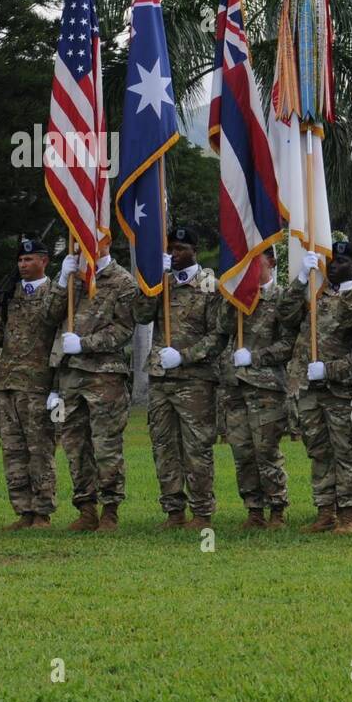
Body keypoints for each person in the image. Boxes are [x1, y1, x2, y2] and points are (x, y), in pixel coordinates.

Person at [132, 226, 227, 530]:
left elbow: (219, 335)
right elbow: (141, 315)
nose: (173, 253)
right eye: (170, 248)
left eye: (179, 248)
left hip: (195, 379)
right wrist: (151, 283)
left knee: (196, 448)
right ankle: (173, 512)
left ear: (193, 251)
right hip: (162, 378)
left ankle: (201, 513)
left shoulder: (210, 285)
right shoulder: (163, 283)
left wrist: (185, 355)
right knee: (163, 446)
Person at [0, 235, 61, 529]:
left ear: (44, 261)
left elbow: (58, 339)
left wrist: (57, 388)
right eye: (20, 260)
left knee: (39, 449)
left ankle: (42, 512)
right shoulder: (8, 296)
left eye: (29, 259)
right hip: (6, 384)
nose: (23, 264)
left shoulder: (55, 295)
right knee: (13, 450)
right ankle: (24, 511)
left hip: (37, 385)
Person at [44, 238, 136, 533]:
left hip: (104, 375)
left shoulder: (122, 281)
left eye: (95, 241)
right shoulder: (73, 278)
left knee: (106, 444)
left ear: (107, 242)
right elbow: (48, 317)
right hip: (70, 375)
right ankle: (86, 509)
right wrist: (61, 280)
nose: (88, 247)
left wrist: (85, 344)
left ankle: (110, 510)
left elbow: (124, 329)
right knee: (74, 444)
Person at [289, 240, 352, 535]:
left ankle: (350, 515)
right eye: (331, 262)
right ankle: (325, 510)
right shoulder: (318, 296)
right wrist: (300, 280)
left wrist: (330, 369)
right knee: (319, 451)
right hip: (311, 389)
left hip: (343, 391)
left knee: (347, 451)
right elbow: (286, 316)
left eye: (341, 262)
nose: (334, 266)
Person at [218, 248, 301, 530]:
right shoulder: (235, 296)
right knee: (242, 452)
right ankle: (254, 510)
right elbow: (223, 326)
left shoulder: (281, 298)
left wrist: (256, 357)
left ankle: (277, 509)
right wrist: (234, 297)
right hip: (235, 386)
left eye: (255, 259)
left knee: (266, 451)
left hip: (266, 387)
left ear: (271, 262)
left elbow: (289, 344)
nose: (247, 265)